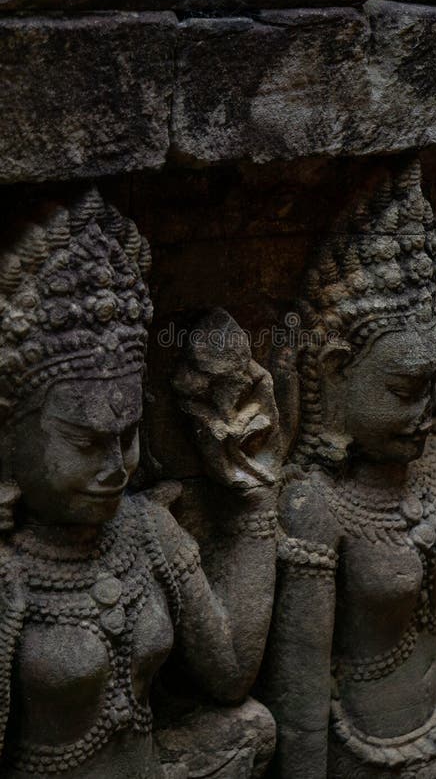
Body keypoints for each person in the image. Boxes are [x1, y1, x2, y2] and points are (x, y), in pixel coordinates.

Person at [0, 189, 279, 779]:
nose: (117, 466)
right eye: (85, 442)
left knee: (255, 730)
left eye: (126, 435)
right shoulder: (10, 571)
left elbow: (229, 673)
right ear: (8, 439)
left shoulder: (147, 528)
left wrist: (254, 495)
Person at [261, 161, 436, 778]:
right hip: (360, 749)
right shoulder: (315, 505)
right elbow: (302, 689)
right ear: (338, 371)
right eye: (405, 390)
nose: (427, 410)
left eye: (434, 383)